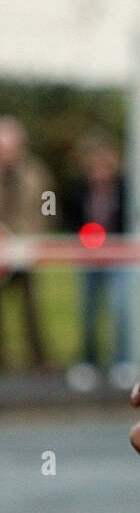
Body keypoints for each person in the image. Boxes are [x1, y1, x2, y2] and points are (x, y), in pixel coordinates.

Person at [66, 137, 136, 392]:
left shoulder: (126, 188)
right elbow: (62, 213)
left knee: (121, 309)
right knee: (89, 309)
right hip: (89, 256)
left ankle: (123, 361)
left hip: (118, 256)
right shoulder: (79, 189)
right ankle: (88, 361)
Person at [0, 115, 53, 372]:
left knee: (31, 308)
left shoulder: (36, 172)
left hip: (26, 248)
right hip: (1, 250)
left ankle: (39, 360)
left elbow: (48, 206)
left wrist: (35, 235)